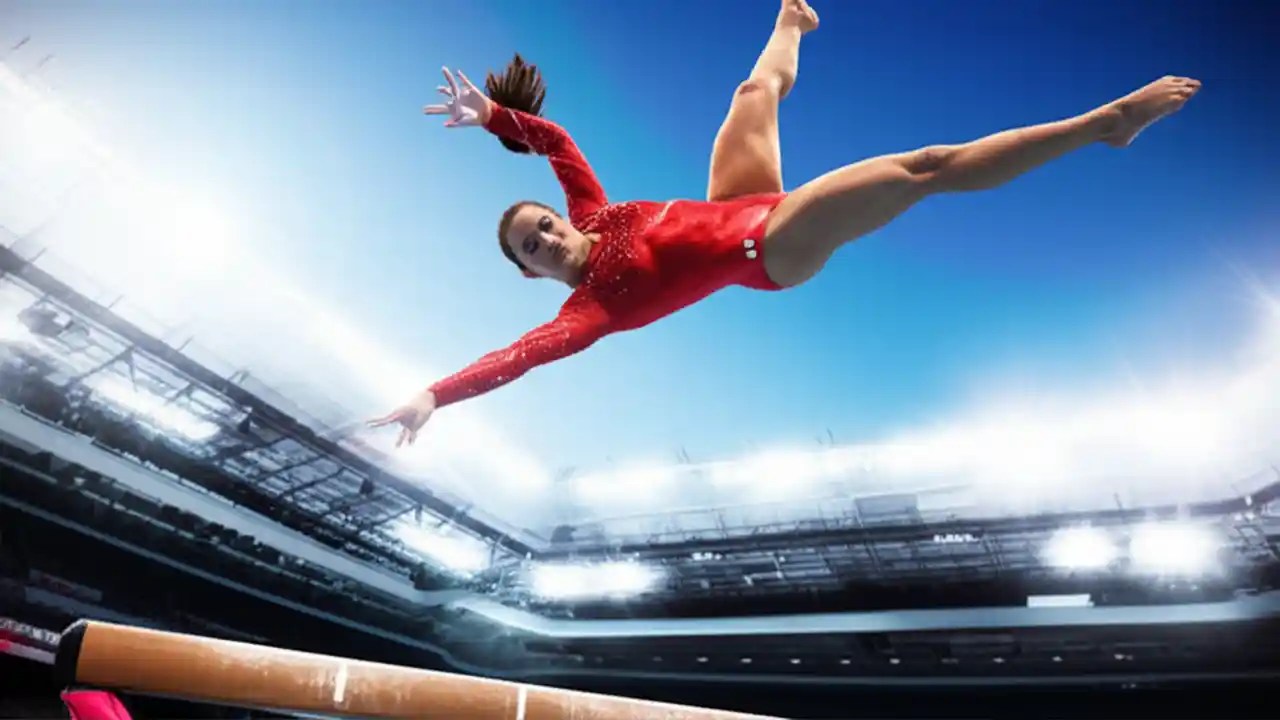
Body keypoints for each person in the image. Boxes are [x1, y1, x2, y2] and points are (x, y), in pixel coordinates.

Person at [370, 0, 1200, 447]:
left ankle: (791, 17)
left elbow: (555, 139)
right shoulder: (591, 310)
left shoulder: (593, 209)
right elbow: (515, 358)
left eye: (542, 225)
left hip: (742, 202)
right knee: (924, 168)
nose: (548, 238)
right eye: (532, 248)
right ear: (532, 275)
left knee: (751, 95)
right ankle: (1105, 124)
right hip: (767, 248)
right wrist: (434, 395)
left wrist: (493, 120)